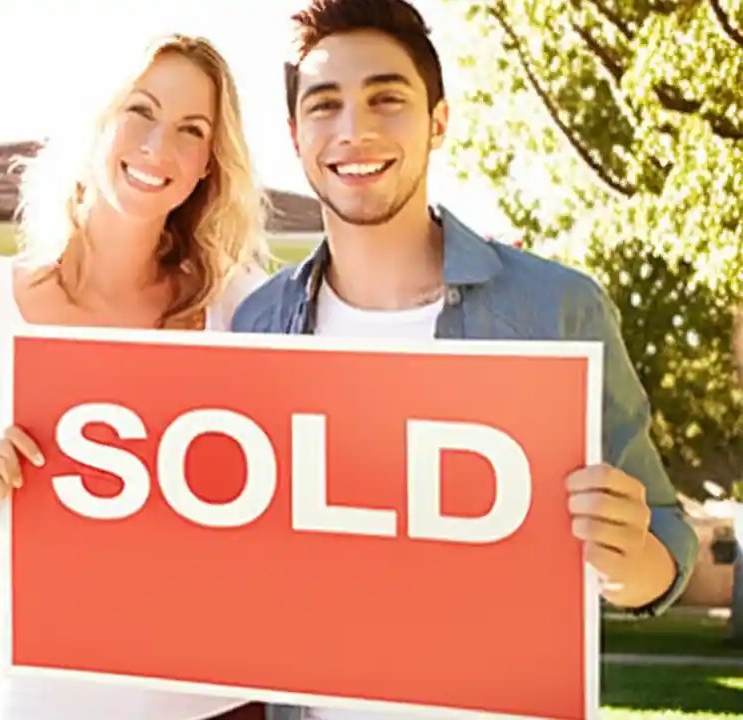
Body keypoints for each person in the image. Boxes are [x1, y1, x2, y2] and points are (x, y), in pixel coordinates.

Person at [228, 1, 699, 718]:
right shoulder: (254, 327)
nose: (355, 129)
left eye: (388, 98)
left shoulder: (558, 308)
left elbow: (663, 547)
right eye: (326, 105)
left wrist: (626, 560)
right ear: (295, 137)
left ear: (437, 122)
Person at [0, 33, 272, 720]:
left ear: (207, 169)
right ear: (97, 122)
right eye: (141, 110)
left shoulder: (239, 306)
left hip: (222, 705)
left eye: (192, 130)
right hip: (52, 700)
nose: (160, 146)